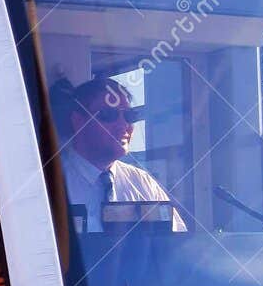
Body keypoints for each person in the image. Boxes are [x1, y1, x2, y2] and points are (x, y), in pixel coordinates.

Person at [61, 77, 184, 233]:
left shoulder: (142, 182)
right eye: (108, 115)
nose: (123, 125)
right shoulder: (46, 183)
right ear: (78, 121)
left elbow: (176, 244)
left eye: (129, 116)